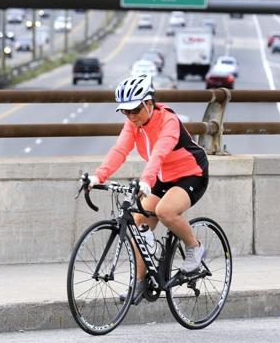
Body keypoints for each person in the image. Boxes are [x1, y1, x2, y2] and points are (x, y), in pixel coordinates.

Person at [87, 74, 209, 305]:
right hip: (162, 177)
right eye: (126, 112)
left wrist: (146, 179)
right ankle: (140, 283)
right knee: (138, 220)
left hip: (191, 173)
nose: (131, 116)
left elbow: (159, 153)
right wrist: (98, 176)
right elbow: (119, 151)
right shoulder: (133, 124)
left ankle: (195, 248)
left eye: (135, 110)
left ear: (149, 103)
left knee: (165, 211)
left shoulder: (168, 121)